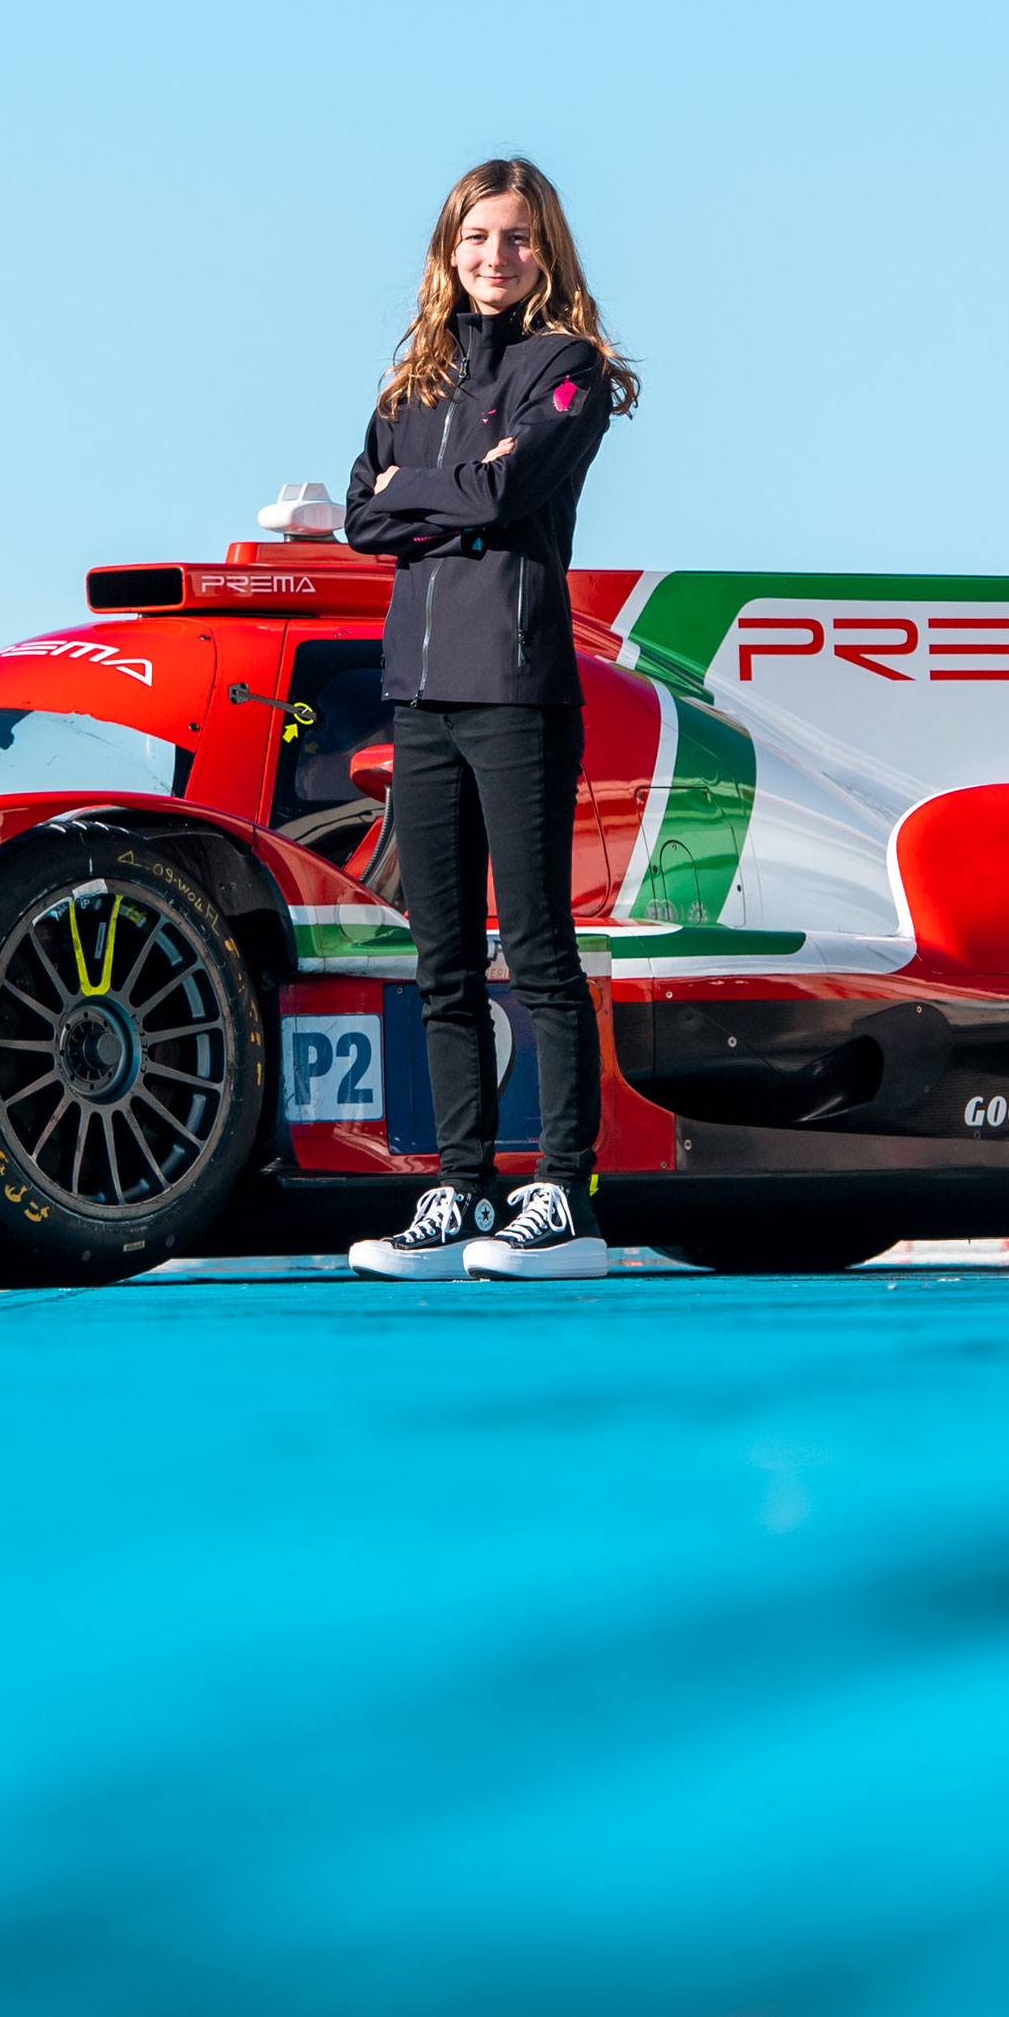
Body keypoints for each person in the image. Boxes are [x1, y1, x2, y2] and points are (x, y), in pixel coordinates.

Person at [339, 158, 631, 1282]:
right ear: (447, 250)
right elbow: (364, 515)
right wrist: (450, 486)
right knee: (441, 961)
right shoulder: (413, 375)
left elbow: (503, 501)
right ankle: (462, 1191)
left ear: (543, 248)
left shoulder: (571, 369)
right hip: (416, 695)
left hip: (516, 686)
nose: (493, 258)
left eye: (513, 238)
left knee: (541, 950)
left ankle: (567, 1196)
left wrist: (435, 493)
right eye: (474, 239)